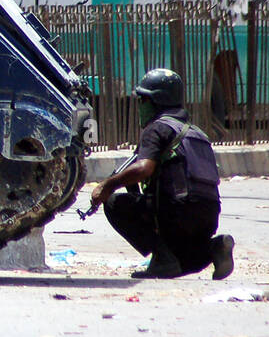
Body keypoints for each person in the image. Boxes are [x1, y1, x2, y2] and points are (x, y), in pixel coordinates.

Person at [88, 68, 234, 280]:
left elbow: (144, 168)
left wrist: (108, 185)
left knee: (113, 203)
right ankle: (214, 247)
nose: (139, 106)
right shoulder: (196, 132)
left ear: (155, 101)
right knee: (183, 265)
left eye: (142, 100)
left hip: (177, 212)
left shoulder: (157, 128)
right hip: (209, 215)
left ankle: (162, 258)